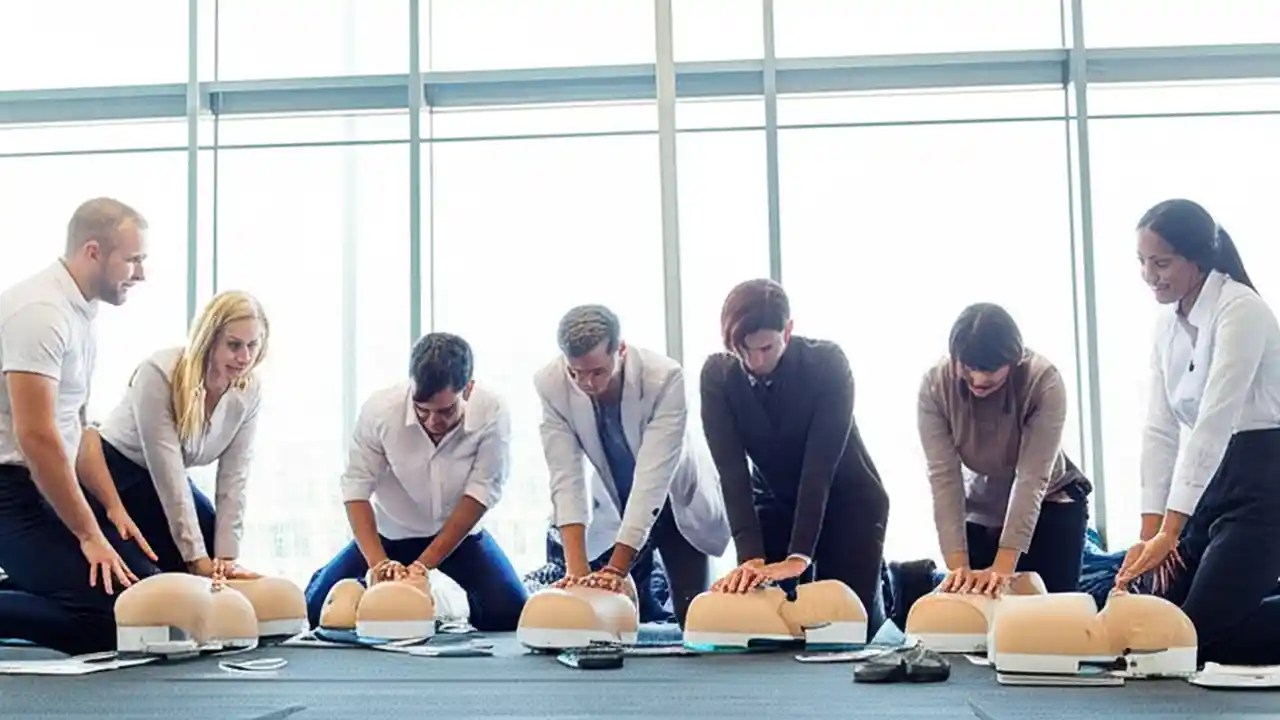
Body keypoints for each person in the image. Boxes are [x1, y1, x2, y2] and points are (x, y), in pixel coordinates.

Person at [1115, 198, 1280, 665]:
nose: (1150, 275)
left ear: (1197, 259)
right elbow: (1160, 429)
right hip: (1212, 484)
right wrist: (1150, 537)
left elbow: (1214, 422)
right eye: (1142, 262)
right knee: (1161, 626)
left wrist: (1172, 532)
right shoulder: (1167, 326)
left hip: (1264, 479)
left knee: (1198, 640)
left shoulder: (1241, 310)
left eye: (1161, 263)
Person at [0, 197, 153, 654]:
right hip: (10, 492)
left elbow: (78, 426)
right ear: (93, 252)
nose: (141, 274)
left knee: (145, 596)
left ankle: (33, 579)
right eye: (133, 260)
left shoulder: (80, 311)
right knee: (107, 621)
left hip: (47, 484)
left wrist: (112, 510)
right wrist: (89, 537)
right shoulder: (40, 313)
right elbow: (38, 436)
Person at [700, 278, 890, 635]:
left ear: (788, 330)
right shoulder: (718, 376)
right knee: (765, 621)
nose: (754, 361)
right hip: (775, 502)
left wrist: (798, 557)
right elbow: (732, 473)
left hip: (848, 500)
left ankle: (890, 595)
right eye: (743, 350)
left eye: (766, 348)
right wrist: (751, 558)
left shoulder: (828, 365)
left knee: (843, 626)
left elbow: (819, 468)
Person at [303, 332, 527, 631]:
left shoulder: (492, 411)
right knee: (317, 607)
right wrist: (378, 565)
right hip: (390, 534)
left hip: (458, 538)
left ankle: (441, 608)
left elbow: (482, 491)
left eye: (446, 411)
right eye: (423, 410)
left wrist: (423, 567)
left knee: (509, 612)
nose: (433, 421)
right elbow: (356, 488)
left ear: (468, 389)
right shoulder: (380, 411)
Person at [533, 304, 730, 626]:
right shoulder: (550, 384)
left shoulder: (664, 378)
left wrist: (616, 569)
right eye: (575, 372)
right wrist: (576, 571)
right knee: (605, 615)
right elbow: (565, 478)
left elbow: (652, 479)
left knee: (693, 618)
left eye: (597, 371)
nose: (586, 383)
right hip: (614, 502)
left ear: (620, 350)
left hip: (671, 497)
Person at [74, 290, 268, 581]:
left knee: (212, 540)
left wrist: (225, 559)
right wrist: (197, 561)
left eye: (253, 345)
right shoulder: (160, 372)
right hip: (118, 471)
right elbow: (169, 475)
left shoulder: (248, 390)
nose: (245, 358)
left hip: (160, 478)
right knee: (165, 569)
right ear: (209, 339)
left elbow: (234, 477)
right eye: (234, 345)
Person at [918, 303, 1092, 596]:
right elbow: (944, 477)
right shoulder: (935, 386)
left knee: (1050, 616)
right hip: (983, 506)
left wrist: (1003, 567)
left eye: (989, 371)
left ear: (1013, 361)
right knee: (974, 610)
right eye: (968, 368)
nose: (978, 380)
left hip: (1051, 500)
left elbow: (1031, 479)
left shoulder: (1043, 380)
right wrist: (958, 568)